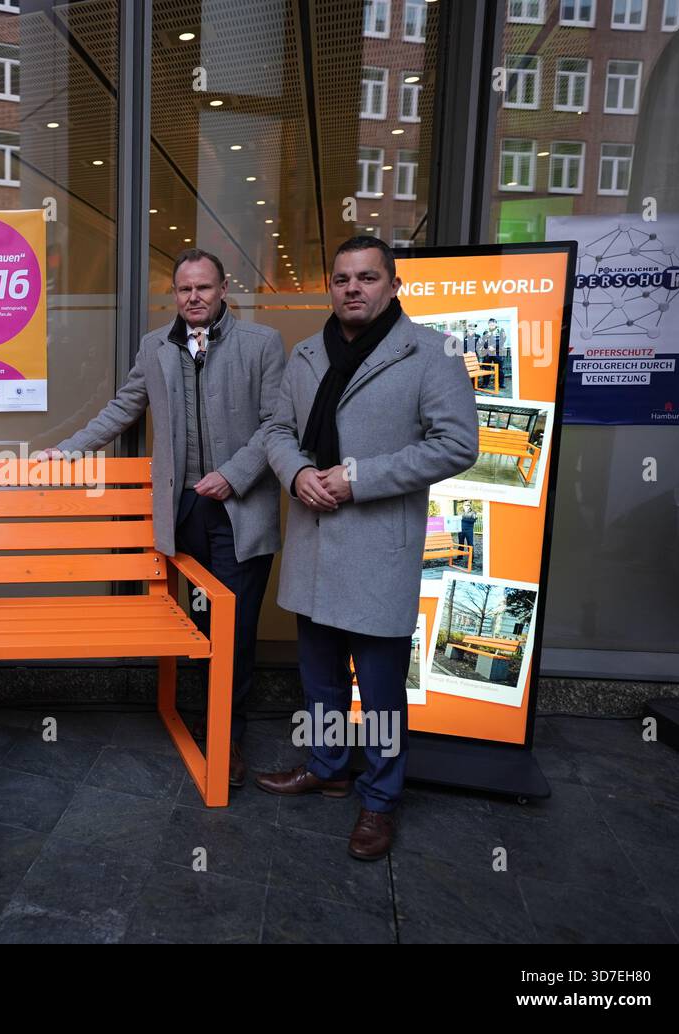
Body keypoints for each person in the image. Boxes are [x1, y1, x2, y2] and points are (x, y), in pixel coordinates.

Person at [258, 236, 478, 860]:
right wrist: (296, 472)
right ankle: (328, 767)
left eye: (367, 277)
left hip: (377, 546)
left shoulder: (430, 352)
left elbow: (457, 443)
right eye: (342, 279)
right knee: (320, 680)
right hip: (312, 539)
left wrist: (359, 477)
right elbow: (276, 429)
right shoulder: (305, 355)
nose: (352, 288)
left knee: (379, 689)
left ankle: (380, 800)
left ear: (392, 284)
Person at [39, 248, 285, 788]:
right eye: (183, 289)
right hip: (185, 510)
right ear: (174, 295)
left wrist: (234, 474)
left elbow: (277, 424)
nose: (193, 297)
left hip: (241, 509)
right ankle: (206, 716)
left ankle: (228, 735)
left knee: (237, 628)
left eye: (203, 287)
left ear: (224, 289)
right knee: (198, 627)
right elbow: (123, 406)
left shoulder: (261, 344)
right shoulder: (155, 346)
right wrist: (69, 450)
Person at [481, 318, 507, 391]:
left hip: (498, 353)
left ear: (496, 324)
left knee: (500, 369)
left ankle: (501, 383)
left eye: (493, 323)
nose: (492, 324)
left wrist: (494, 347)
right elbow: (483, 342)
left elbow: (502, 341)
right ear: (488, 324)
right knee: (486, 368)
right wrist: (488, 347)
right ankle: (485, 383)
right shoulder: (485, 332)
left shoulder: (501, 331)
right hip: (488, 353)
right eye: (490, 323)